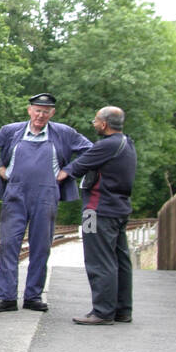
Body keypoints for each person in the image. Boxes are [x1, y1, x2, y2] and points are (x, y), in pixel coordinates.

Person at [0, 93, 92, 312]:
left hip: (46, 196)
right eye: (37, 110)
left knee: (41, 247)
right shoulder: (11, 131)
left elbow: (90, 151)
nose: (41, 115)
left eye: (45, 112)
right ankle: (6, 297)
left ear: (52, 113)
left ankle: (33, 296)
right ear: (29, 110)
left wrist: (69, 171)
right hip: (15, 194)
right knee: (9, 245)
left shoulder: (64, 133)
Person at [57, 107, 138, 325]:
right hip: (119, 209)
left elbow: (74, 168)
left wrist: (52, 177)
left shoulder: (105, 145)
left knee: (98, 260)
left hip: (96, 210)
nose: (93, 124)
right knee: (120, 260)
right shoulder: (127, 143)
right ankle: (122, 310)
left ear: (104, 124)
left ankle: (102, 312)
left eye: (95, 121)